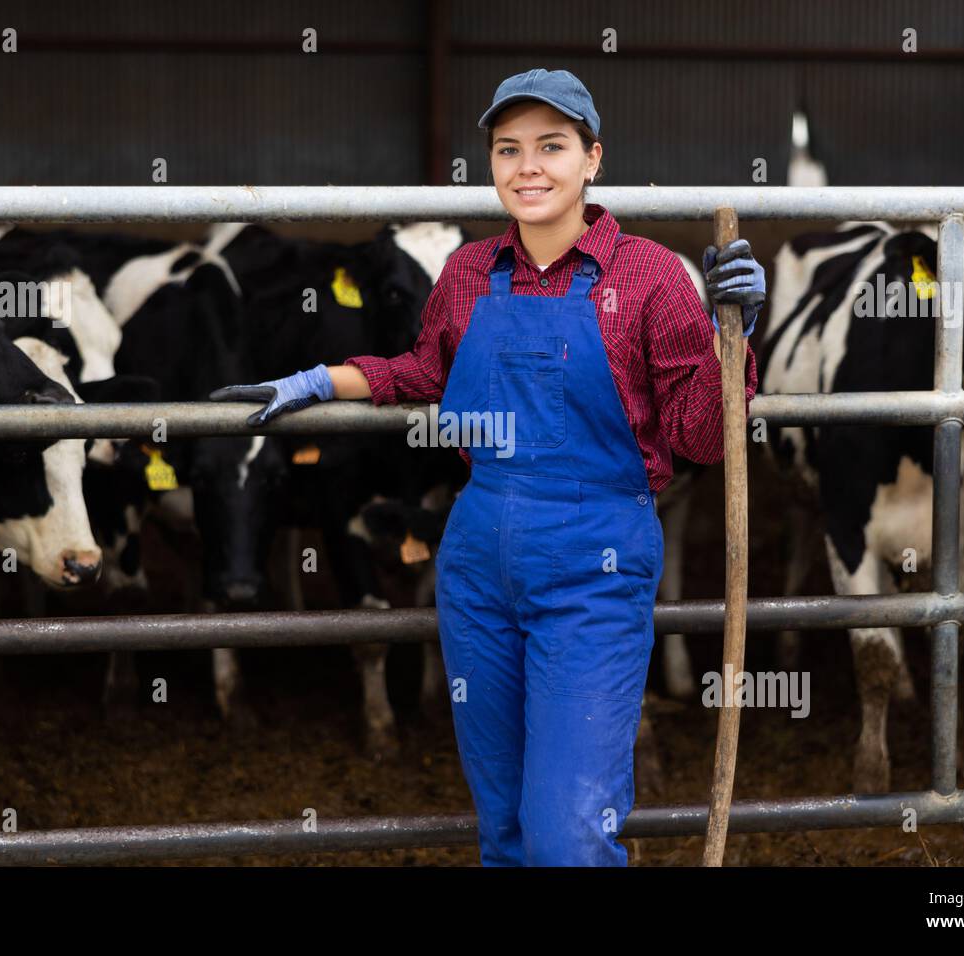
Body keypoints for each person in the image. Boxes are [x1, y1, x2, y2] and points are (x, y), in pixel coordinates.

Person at [211, 68, 764, 866]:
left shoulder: (648, 277)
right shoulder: (469, 273)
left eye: (551, 146)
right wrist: (318, 380)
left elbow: (705, 440)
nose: (528, 167)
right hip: (477, 562)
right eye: (508, 149)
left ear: (592, 159)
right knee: (502, 828)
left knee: (569, 831)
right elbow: (423, 371)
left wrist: (735, 340)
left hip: (595, 566)